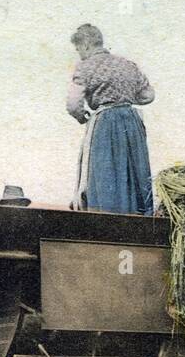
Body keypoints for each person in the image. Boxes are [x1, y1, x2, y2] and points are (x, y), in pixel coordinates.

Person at [66, 23, 155, 215]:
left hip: (104, 123)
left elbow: (73, 105)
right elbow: (148, 95)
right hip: (132, 123)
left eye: (79, 48)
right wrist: (126, 98)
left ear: (87, 44)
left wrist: (83, 117)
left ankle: (107, 224)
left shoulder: (85, 67)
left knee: (104, 175)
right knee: (135, 174)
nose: (79, 53)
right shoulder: (128, 65)